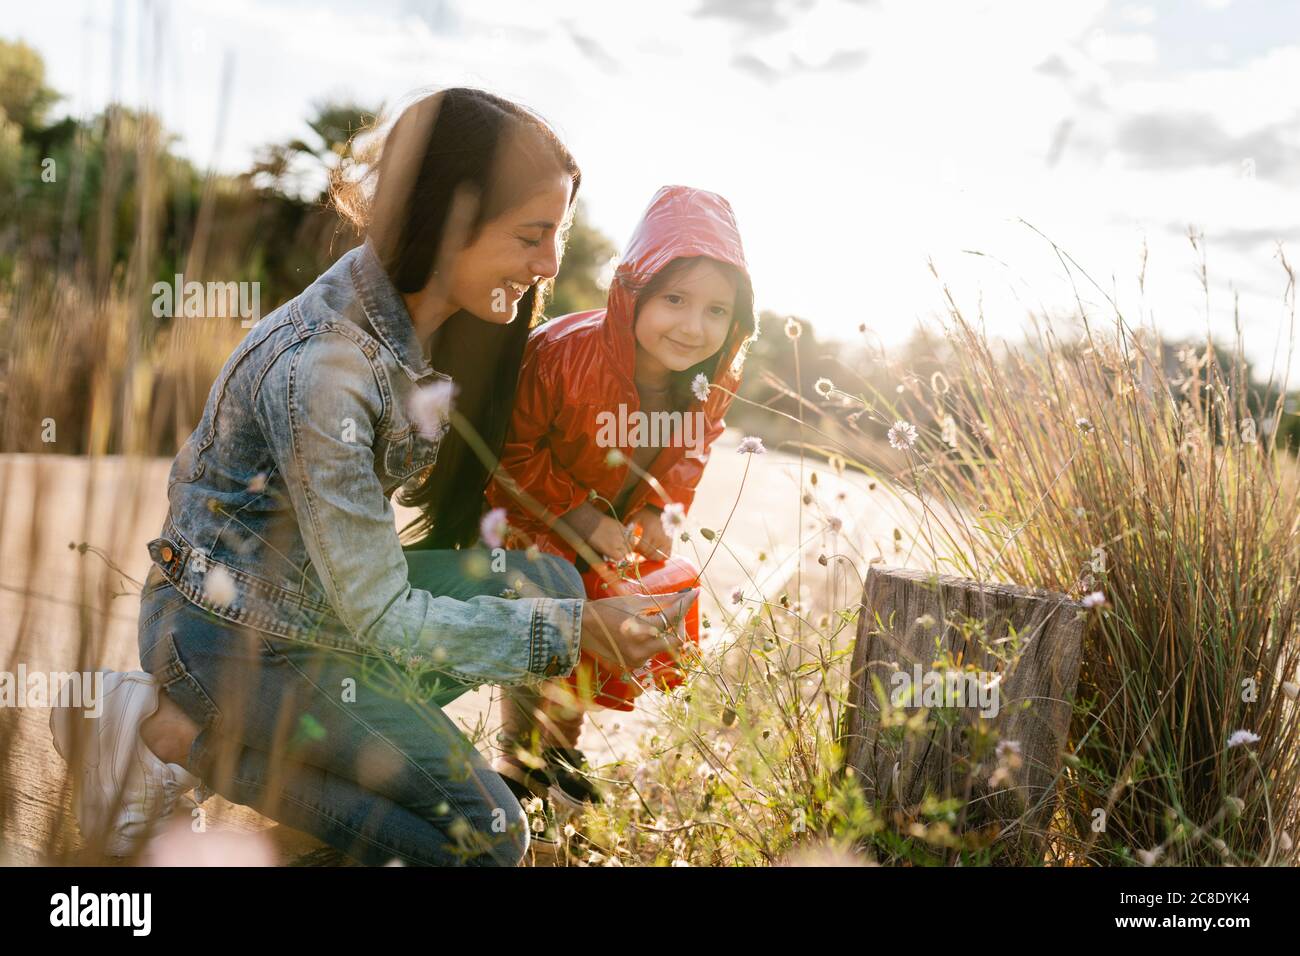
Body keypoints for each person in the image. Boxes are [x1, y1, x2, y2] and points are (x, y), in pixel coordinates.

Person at [49, 88, 697, 866]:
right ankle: (175, 732)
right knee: (486, 841)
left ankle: (330, 782)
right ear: (445, 219)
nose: (551, 264)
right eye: (531, 235)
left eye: (555, 236)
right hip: (236, 640)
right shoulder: (325, 369)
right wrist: (579, 634)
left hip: (315, 612)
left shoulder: (430, 320)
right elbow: (383, 616)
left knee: (547, 581)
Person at [484, 185, 755, 815]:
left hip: (618, 521)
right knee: (549, 616)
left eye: (717, 311)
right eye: (675, 299)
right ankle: (516, 758)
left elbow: (696, 441)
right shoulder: (560, 355)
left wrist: (659, 507)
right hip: (534, 517)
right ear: (633, 291)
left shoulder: (712, 375)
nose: (694, 327)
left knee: (603, 627)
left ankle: (560, 750)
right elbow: (509, 453)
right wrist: (576, 514)